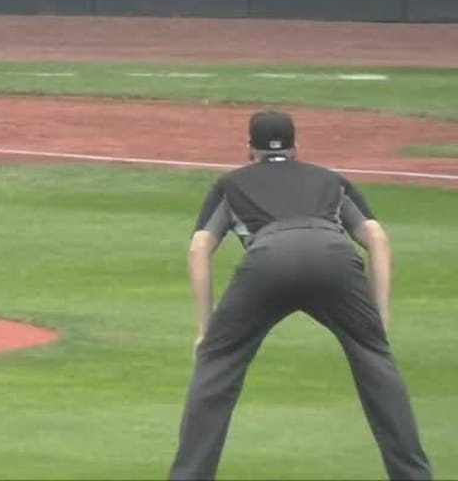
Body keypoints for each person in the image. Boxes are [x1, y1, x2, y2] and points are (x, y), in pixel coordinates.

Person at [169, 111, 432, 481]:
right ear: (296, 148)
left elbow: (200, 247)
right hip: (334, 258)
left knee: (216, 362)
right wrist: (380, 318)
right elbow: (377, 238)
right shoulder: (329, 180)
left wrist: (204, 329)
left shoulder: (231, 184)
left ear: (249, 149)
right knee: (376, 361)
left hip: (268, 263)